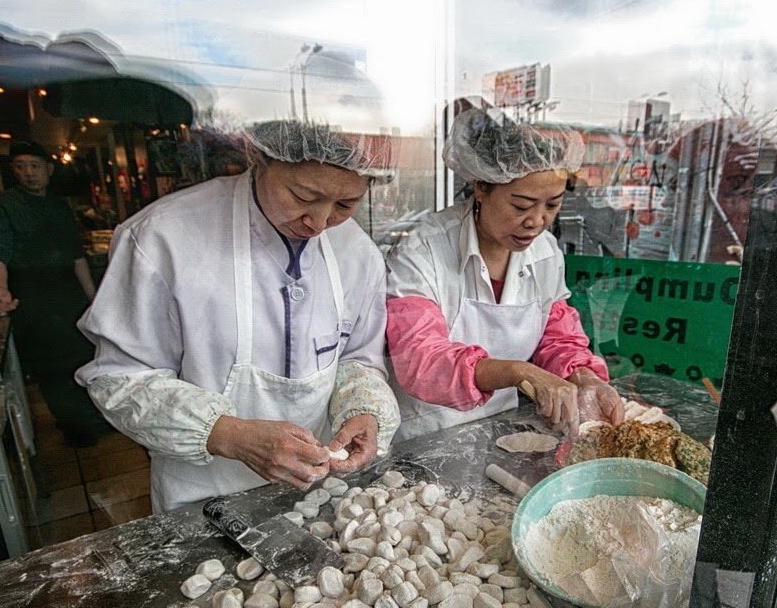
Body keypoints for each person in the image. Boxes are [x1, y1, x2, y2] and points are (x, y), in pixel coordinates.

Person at [74, 120, 401, 513]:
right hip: (204, 498)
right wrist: (231, 435)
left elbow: (356, 358)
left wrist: (362, 407)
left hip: (318, 495)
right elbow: (120, 379)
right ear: (259, 157)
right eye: (302, 195)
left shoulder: (358, 254)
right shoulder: (163, 238)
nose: (318, 222)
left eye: (345, 205)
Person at [385, 108, 625, 442]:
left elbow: (556, 338)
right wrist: (518, 371)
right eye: (522, 205)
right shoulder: (423, 250)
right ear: (481, 187)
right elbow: (421, 359)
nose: (537, 221)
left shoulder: (545, 252)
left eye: (552, 205)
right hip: (425, 434)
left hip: (501, 427)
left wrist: (583, 377)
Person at [0, 141, 105, 447]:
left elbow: (77, 256)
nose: (29, 173)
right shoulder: (3, 206)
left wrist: (94, 301)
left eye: (35, 166)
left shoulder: (59, 205)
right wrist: (1, 288)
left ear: (48, 170)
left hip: (68, 289)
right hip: (32, 292)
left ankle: (93, 417)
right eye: (21, 167)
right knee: (50, 365)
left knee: (83, 354)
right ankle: (72, 426)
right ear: (13, 171)